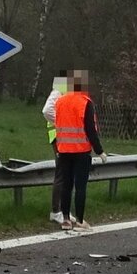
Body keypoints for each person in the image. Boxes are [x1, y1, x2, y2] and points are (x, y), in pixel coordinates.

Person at [51, 69, 107, 230]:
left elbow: (58, 123)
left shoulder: (60, 101)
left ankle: (66, 220)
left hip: (63, 150)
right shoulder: (85, 102)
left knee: (66, 185)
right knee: (80, 186)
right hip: (81, 151)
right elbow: (90, 129)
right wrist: (99, 150)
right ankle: (80, 220)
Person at [41, 70, 70, 151]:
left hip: (67, 136)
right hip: (60, 135)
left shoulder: (67, 91)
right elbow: (47, 111)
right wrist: (64, 123)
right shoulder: (60, 90)